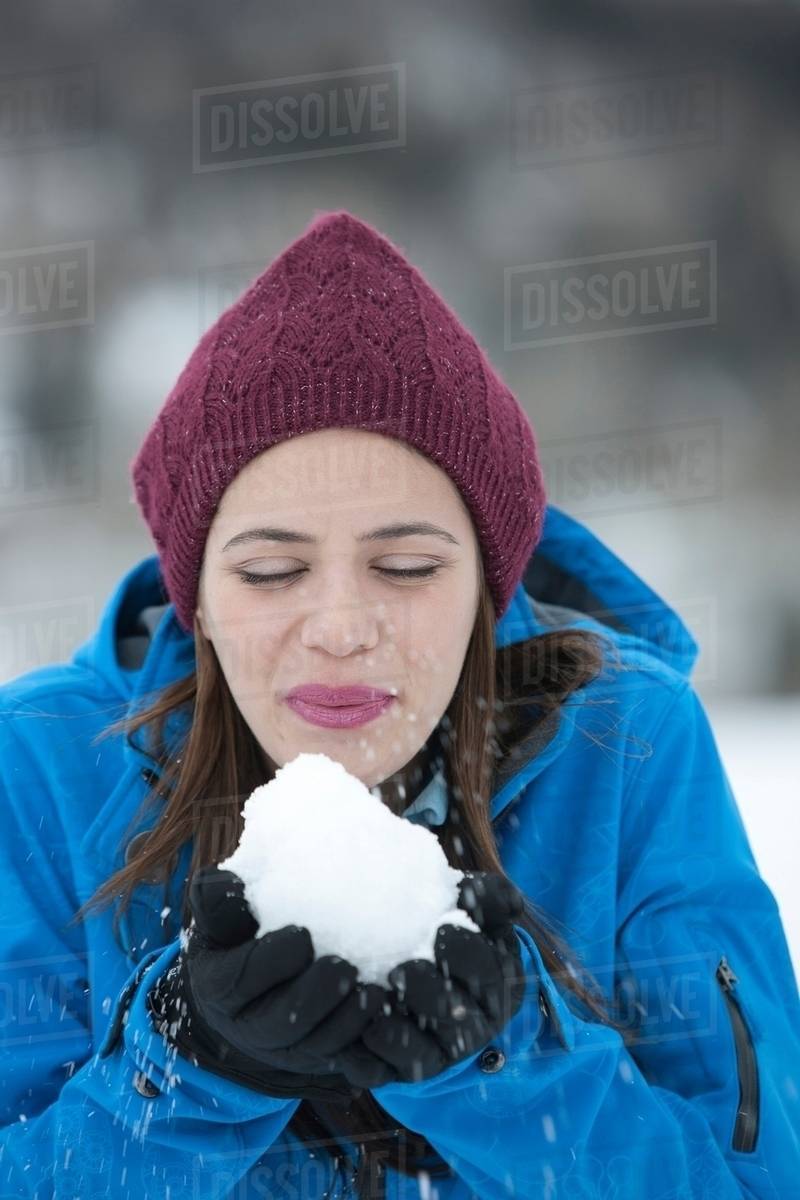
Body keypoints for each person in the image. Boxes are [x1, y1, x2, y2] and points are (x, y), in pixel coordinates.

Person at [0, 211, 797, 1199]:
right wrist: (186, 1071)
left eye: (407, 565)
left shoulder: (627, 743)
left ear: (488, 592)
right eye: (272, 570)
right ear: (196, 597)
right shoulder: (39, 764)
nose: (340, 625)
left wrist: (510, 1069)